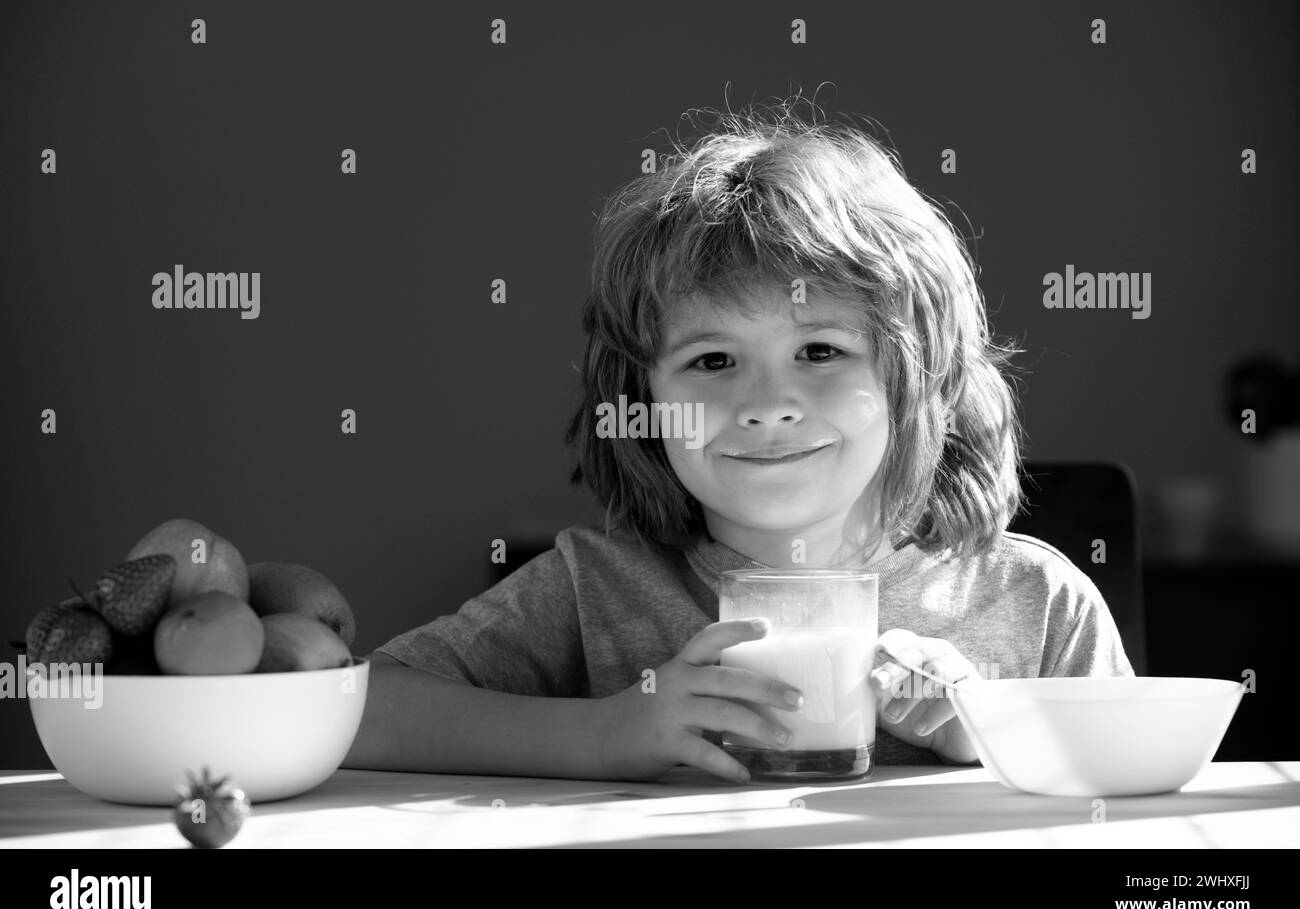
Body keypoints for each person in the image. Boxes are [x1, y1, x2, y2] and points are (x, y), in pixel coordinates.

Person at [343, 98, 1133, 784]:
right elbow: (359, 708)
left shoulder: (1037, 603)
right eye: (712, 360)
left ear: (916, 376)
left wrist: (1000, 733)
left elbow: (1139, 811)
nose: (766, 406)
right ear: (641, 399)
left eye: (820, 351)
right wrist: (604, 733)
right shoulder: (595, 587)